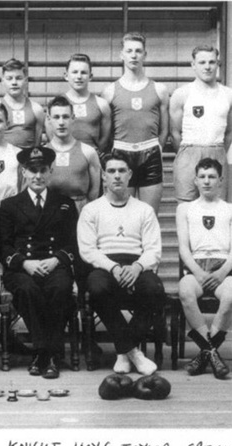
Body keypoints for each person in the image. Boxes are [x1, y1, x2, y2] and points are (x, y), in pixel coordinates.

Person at [78, 151, 164, 375]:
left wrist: (137, 267)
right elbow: (87, 249)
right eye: (111, 171)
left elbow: (154, 249)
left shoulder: (144, 210)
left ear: (130, 175)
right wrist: (113, 267)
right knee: (96, 287)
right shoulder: (91, 210)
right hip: (105, 265)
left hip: (136, 264)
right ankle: (133, 352)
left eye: (122, 171)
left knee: (155, 290)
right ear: (104, 176)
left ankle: (123, 351)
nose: (117, 176)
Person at [0, 147, 78, 379]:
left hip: (55, 264)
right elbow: (4, 246)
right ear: (24, 172)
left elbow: (73, 243)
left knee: (60, 288)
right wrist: (25, 263)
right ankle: (49, 353)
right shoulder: (10, 205)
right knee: (27, 289)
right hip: (23, 267)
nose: (38, 176)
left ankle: (41, 353)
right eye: (32, 171)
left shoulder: (64, 203)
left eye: (43, 170)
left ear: (50, 171)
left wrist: (56, 260)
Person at [176, 158, 232, 379]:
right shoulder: (184, 209)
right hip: (196, 267)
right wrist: (198, 272)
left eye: (212, 176)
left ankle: (205, 354)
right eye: (202, 177)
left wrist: (222, 272)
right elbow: (184, 249)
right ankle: (212, 354)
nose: (207, 181)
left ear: (220, 180)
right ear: (195, 180)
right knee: (185, 290)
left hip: (223, 267)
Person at [101, 32, 169, 215]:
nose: (133, 55)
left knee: (149, 216)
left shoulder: (159, 90)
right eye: (129, 51)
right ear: (121, 54)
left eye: (138, 51)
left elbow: (164, 130)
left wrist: (155, 148)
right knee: (122, 215)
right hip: (121, 153)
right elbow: (106, 133)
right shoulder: (109, 91)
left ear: (145, 54)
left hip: (151, 154)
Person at [170, 45, 232, 202]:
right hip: (188, 152)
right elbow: (174, 133)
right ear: (193, 65)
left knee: (217, 208)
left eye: (211, 62)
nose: (207, 67)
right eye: (202, 62)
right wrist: (187, 154)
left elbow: (229, 133)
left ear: (217, 64)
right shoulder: (181, 94)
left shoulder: (230, 96)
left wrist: (216, 151)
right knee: (186, 207)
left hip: (217, 151)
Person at [45, 96, 102, 212]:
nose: (61, 122)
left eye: (65, 117)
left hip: (80, 208)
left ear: (73, 118)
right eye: (56, 117)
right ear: (49, 119)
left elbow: (94, 192)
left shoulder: (88, 152)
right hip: (51, 210)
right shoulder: (44, 153)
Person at [54, 53, 112, 150]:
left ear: (90, 76)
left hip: (93, 159)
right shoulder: (56, 104)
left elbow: (105, 139)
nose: (79, 76)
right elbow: (51, 134)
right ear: (66, 76)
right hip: (64, 157)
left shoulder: (102, 104)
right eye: (75, 72)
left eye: (83, 72)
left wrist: (93, 155)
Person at [0, 58, 45, 148]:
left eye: (18, 78)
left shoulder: (37, 109)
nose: (14, 82)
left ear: (26, 81)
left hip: (28, 160)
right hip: (3, 159)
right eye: (9, 78)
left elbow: (37, 144)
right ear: (2, 81)